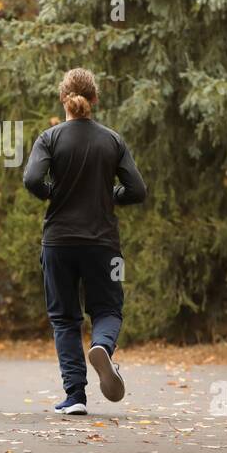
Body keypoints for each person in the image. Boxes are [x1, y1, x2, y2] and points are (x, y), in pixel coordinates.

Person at [23, 68, 146, 415]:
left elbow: (32, 179)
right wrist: (110, 197)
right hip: (103, 243)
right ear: (94, 100)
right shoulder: (112, 140)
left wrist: (52, 193)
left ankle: (75, 395)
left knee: (64, 318)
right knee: (107, 308)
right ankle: (103, 346)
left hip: (59, 241)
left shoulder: (49, 138)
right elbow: (137, 190)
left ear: (64, 99)